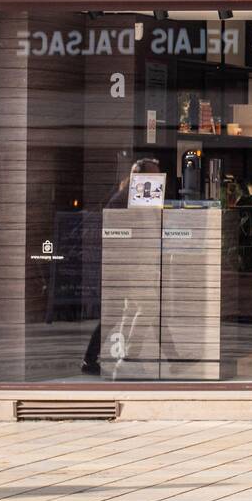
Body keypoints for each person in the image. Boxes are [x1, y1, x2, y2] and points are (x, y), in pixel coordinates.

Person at [82, 157, 162, 375]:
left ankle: (94, 359)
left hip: (140, 267)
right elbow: (112, 234)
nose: (157, 181)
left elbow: (152, 231)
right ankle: (128, 358)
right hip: (127, 268)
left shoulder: (145, 199)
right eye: (152, 176)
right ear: (139, 176)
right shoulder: (122, 199)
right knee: (143, 309)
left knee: (119, 313)